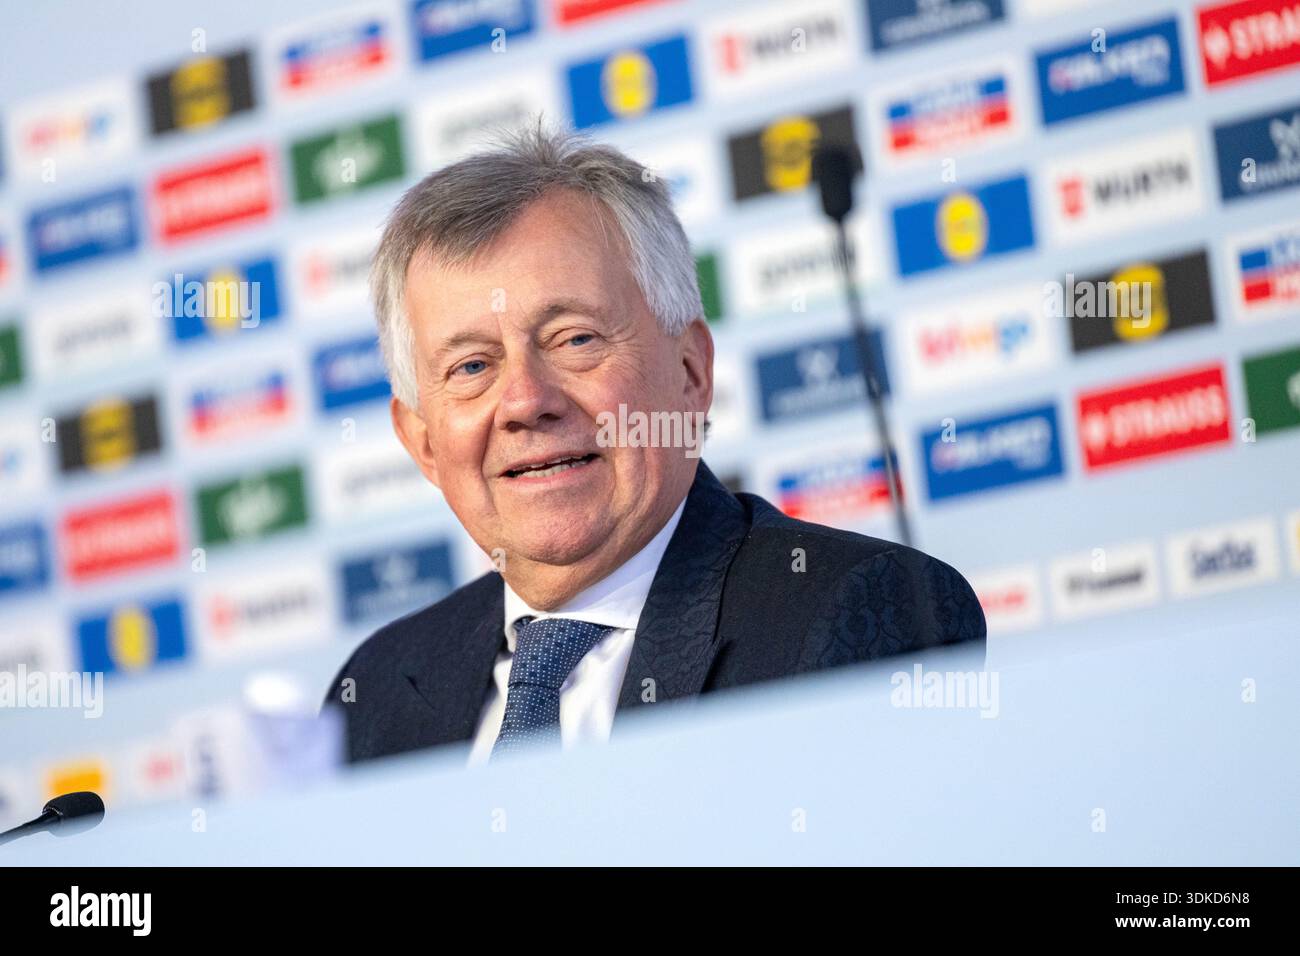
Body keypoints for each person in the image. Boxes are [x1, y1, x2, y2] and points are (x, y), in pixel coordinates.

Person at [323, 123, 985, 765]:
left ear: (692, 372)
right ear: (423, 443)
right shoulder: (374, 698)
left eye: (575, 339)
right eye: (472, 366)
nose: (525, 401)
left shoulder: (857, 616)